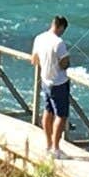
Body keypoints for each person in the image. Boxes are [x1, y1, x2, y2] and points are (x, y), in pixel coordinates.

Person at [30, 15, 71, 160]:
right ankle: (56, 148)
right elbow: (64, 63)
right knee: (61, 115)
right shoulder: (59, 43)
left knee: (48, 110)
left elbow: (34, 60)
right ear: (61, 27)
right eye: (63, 30)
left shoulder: (39, 38)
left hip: (45, 81)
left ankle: (48, 145)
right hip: (58, 83)